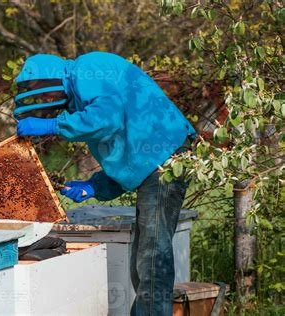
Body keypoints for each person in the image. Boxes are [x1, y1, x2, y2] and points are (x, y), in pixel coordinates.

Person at [13, 52, 196, 315]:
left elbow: (106, 119)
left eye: (39, 92)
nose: (43, 99)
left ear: (48, 77)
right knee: (142, 261)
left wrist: (53, 125)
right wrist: (94, 186)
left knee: (152, 256)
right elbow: (128, 158)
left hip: (167, 160)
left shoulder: (87, 68)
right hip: (155, 164)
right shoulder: (82, 102)